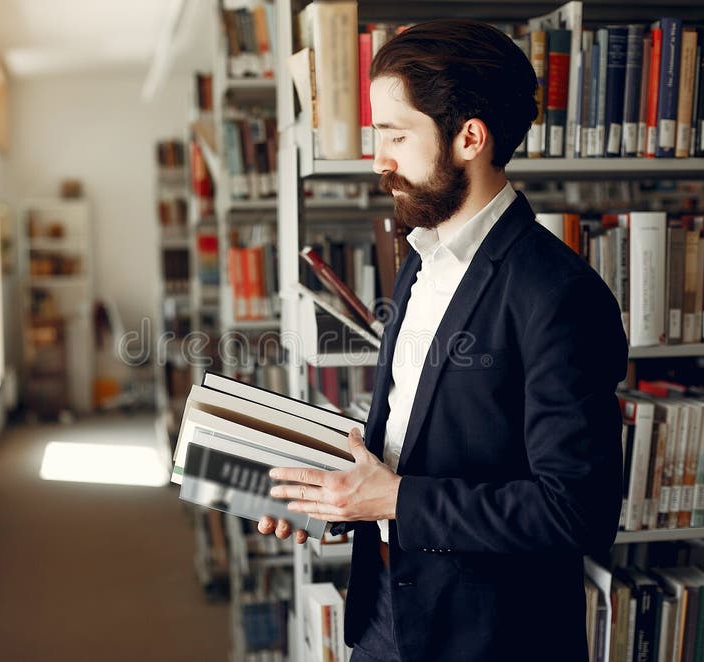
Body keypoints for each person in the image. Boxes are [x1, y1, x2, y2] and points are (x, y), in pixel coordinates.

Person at [260, 18, 628, 662]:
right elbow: (419, 434)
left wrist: (395, 499)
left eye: (397, 135)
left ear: (470, 138)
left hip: (487, 638)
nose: (379, 160)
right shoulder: (421, 258)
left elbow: (577, 512)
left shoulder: (559, 294)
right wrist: (330, 498)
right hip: (383, 610)